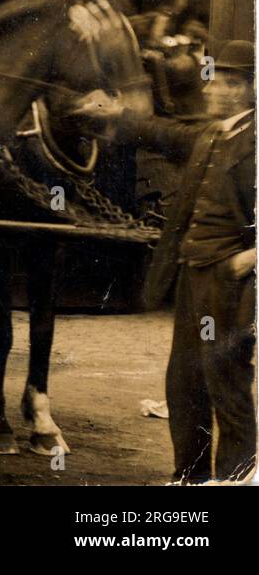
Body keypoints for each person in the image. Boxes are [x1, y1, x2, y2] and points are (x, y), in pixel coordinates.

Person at [76, 39, 256, 483]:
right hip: (194, 274)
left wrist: (249, 259)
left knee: (226, 384)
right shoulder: (212, 133)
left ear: (251, 89)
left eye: (231, 82)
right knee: (185, 383)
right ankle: (189, 477)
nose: (216, 89)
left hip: (232, 280)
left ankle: (234, 480)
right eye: (214, 78)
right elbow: (160, 132)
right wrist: (114, 114)